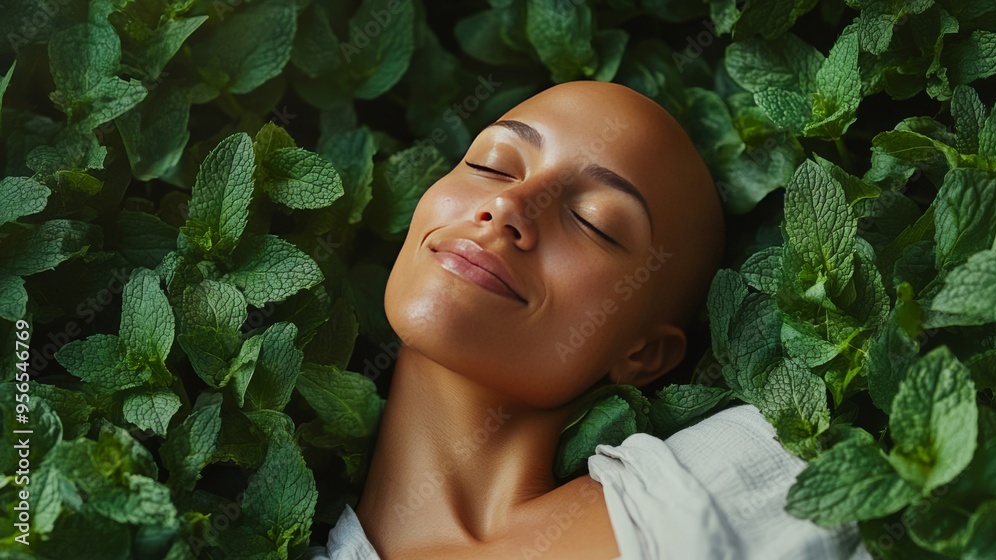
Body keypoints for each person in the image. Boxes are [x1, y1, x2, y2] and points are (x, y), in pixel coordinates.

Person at [304, 81, 869, 559]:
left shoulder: (745, 478)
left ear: (641, 355)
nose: (509, 207)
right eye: (491, 165)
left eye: (593, 222)